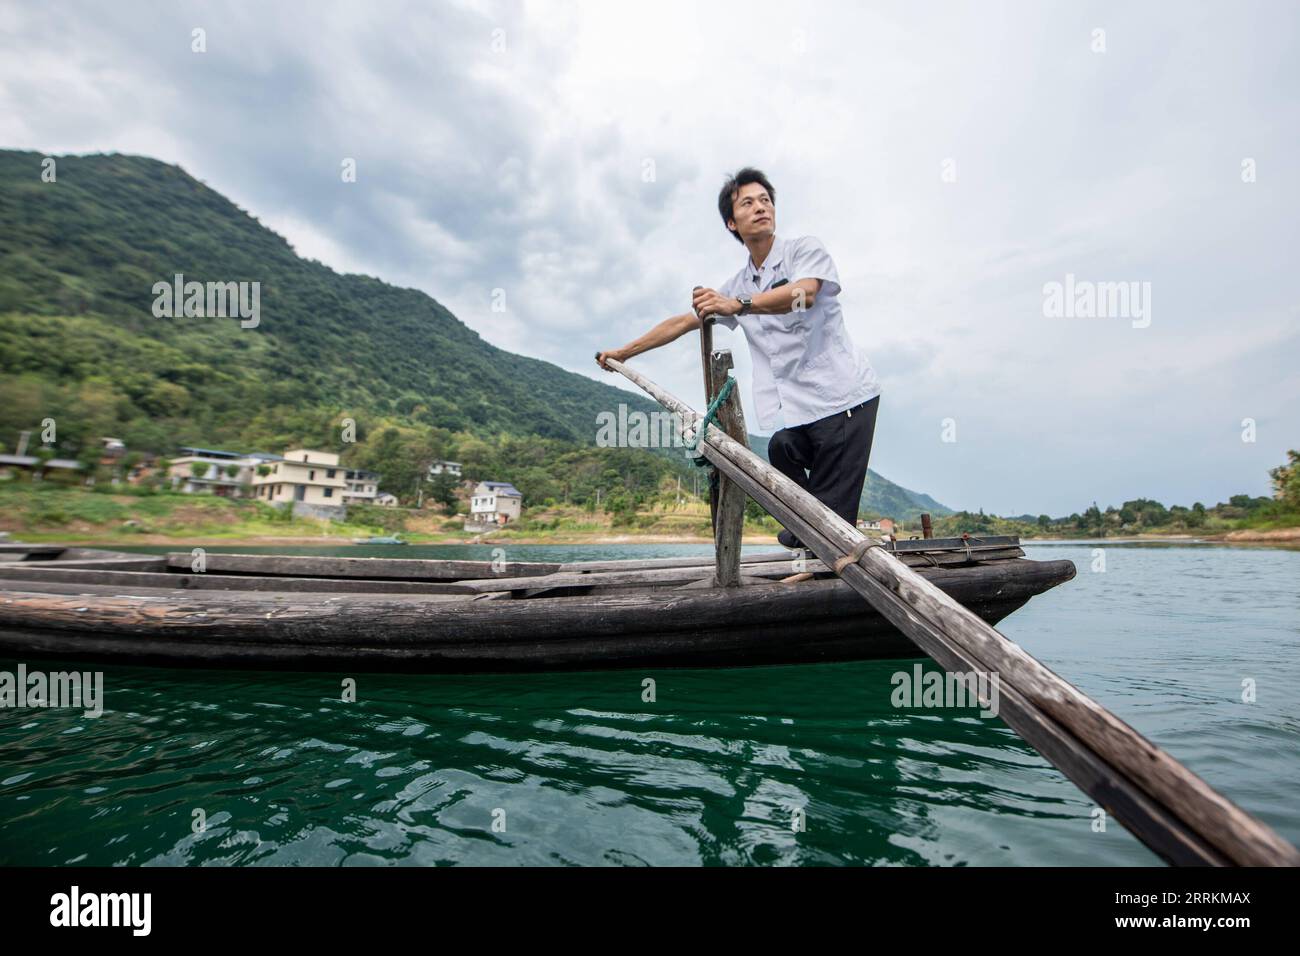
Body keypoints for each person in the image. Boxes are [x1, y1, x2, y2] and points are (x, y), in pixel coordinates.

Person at [597, 167, 881, 549]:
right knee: (782, 448)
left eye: (765, 200)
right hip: (803, 406)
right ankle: (808, 533)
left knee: (834, 522)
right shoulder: (739, 283)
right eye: (748, 203)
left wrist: (740, 305)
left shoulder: (802, 251)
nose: (760, 207)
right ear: (732, 223)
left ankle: (825, 549)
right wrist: (623, 353)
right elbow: (684, 322)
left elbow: (805, 294)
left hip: (845, 398)